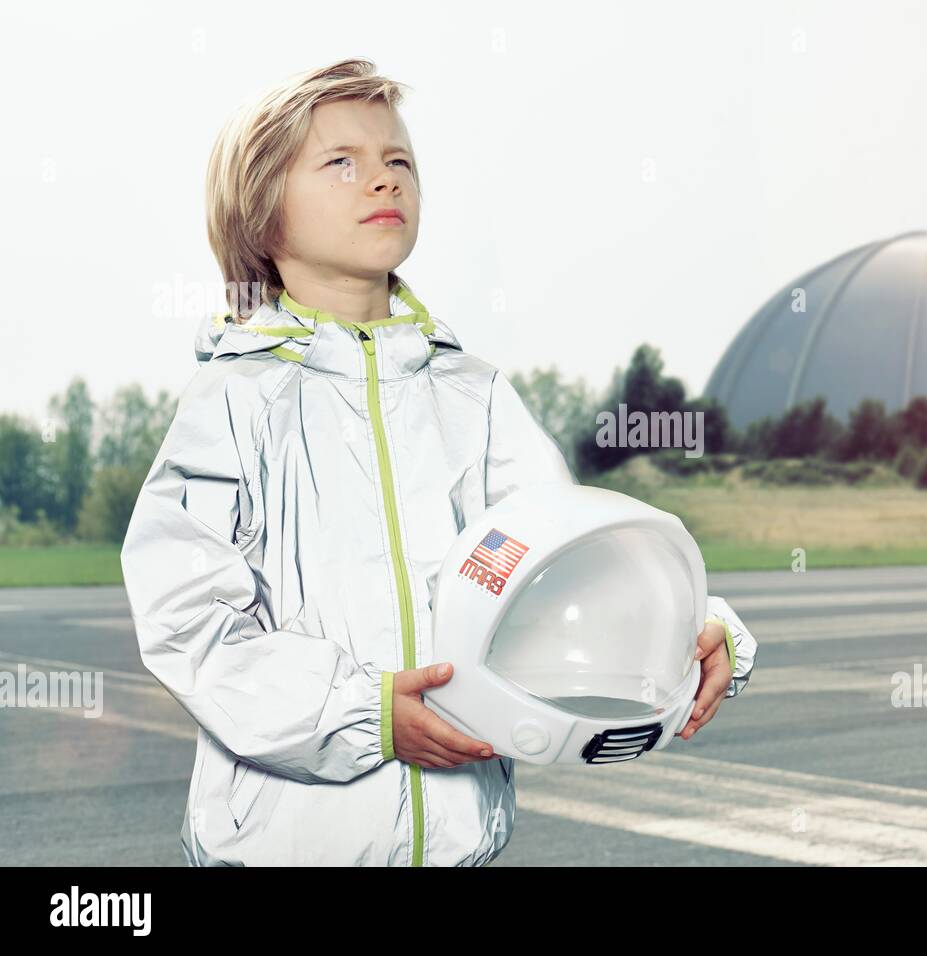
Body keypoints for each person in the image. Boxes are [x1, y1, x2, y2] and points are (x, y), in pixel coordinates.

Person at [119, 57, 757, 867]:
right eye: (341, 163)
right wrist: (368, 713)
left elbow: (572, 569)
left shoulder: (477, 397)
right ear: (263, 213)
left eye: (398, 162)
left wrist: (697, 633)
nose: (381, 181)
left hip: (463, 850)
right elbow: (190, 624)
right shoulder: (231, 402)